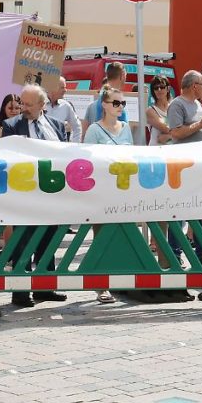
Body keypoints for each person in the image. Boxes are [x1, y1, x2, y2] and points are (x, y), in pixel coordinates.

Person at [1, 85, 69, 307]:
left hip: (52, 193)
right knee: (23, 239)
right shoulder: (11, 126)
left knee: (49, 238)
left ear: (43, 105)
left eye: (29, 104)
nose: (24, 108)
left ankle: (45, 287)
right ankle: (20, 292)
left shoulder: (57, 126)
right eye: (23, 103)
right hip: (25, 193)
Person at [167, 70, 202, 269]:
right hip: (183, 165)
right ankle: (175, 252)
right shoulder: (177, 104)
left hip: (199, 163)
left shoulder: (198, 105)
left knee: (201, 209)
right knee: (180, 210)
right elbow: (175, 133)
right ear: (194, 86)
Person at [83, 87, 133, 304]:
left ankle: (120, 279)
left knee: (121, 236)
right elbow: (85, 161)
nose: (120, 107)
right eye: (116, 103)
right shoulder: (94, 130)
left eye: (122, 103)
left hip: (123, 190)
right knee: (101, 237)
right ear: (104, 104)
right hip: (101, 191)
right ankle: (101, 285)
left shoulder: (126, 128)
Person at [81, 62, 128, 139]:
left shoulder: (92, 106)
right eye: (126, 76)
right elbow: (125, 136)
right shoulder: (119, 105)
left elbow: (83, 135)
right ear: (122, 76)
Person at [45, 77, 81, 142]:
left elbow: (77, 127)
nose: (65, 90)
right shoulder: (39, 104)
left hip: (59, 149)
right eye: (62, 88)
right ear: (53, 88)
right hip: (40, 149)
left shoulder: (66, 106)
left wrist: (74, 144)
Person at [146, 75, 172, 146]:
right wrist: (183, 132)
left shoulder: (174, 107)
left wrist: (169, 137)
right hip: (155, 152)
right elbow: (166, 129)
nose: (159, 90)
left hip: (172, 151)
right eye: (156, 88)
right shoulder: (150, 111)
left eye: (162, 87)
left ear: (168, 88)